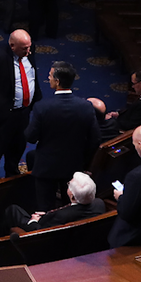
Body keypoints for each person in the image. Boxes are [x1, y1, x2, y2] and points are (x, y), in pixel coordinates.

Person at [24, 62, 101, 209]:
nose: (48, 78)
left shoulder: (42, 107)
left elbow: (31, 137)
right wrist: (84, 162)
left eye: (50, 75)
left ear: (57, 81)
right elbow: (95, 139)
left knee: (45, 209)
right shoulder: (86, 107)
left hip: (46, 168)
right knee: (71, 208)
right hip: (74, 167)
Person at [0, 30, 37, 180]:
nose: (29, 51)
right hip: (4, 113)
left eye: (29, 47)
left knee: (18, 146)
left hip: (24, 112)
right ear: (12, 46)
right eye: (25, 48)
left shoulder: (28, 51)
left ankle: (12, 175)